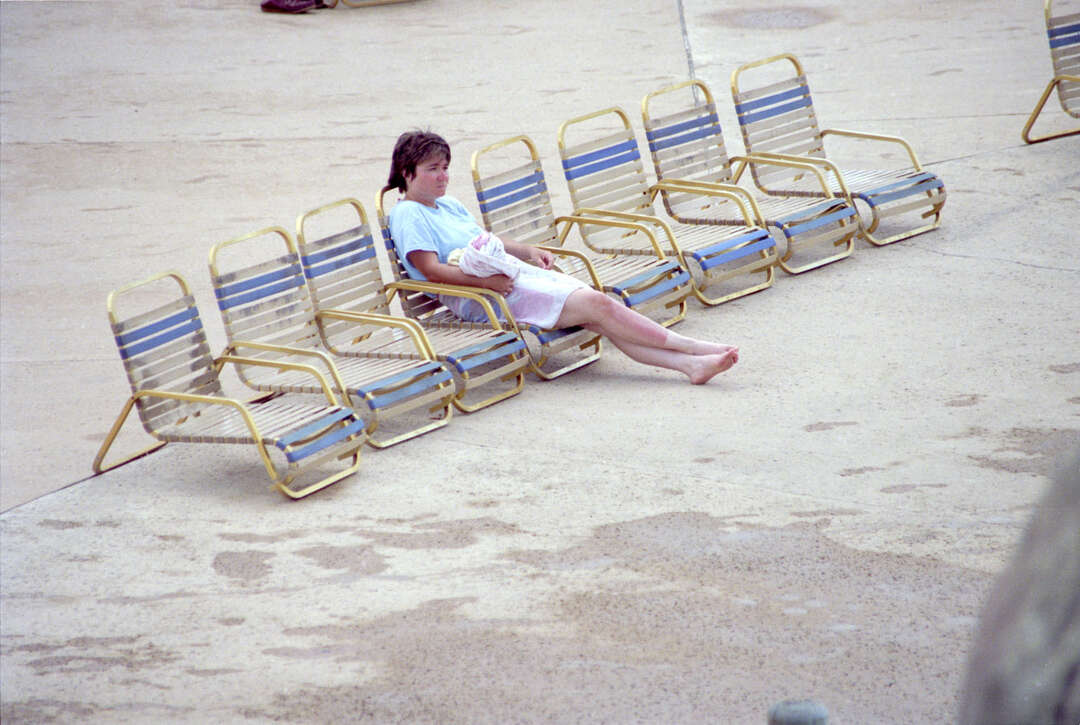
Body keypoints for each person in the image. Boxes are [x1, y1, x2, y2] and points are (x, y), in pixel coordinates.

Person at [386, 130, 739, 385]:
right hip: (482, 297)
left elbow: (485, 242)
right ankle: (696, 349)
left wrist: (527, 250)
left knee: (600, 316)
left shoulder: (449, 205)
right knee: (599, 305)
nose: (443, 176)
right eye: (433, 169)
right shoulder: (408, 215)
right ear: (407, 172)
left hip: (505, 280)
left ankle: (691, 367)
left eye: (445, 167)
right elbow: (430, 270)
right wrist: (486, 283)